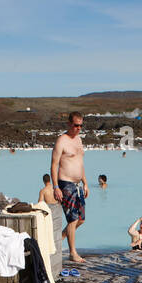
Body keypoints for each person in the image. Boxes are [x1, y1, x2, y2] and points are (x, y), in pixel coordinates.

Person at [51, 111, 89, 264]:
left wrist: (85, 182)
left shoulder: (79, 140)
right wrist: (55, 187)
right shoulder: (62, 141)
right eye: (76, 125)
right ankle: (73, 252)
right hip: (65, 183)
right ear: (69, 124)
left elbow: (80, 163)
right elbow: (54, 165)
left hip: (78, 185)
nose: (78, 128)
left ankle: (58, 239)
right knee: (72, 220)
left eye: (81, 125)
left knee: (81, 219)